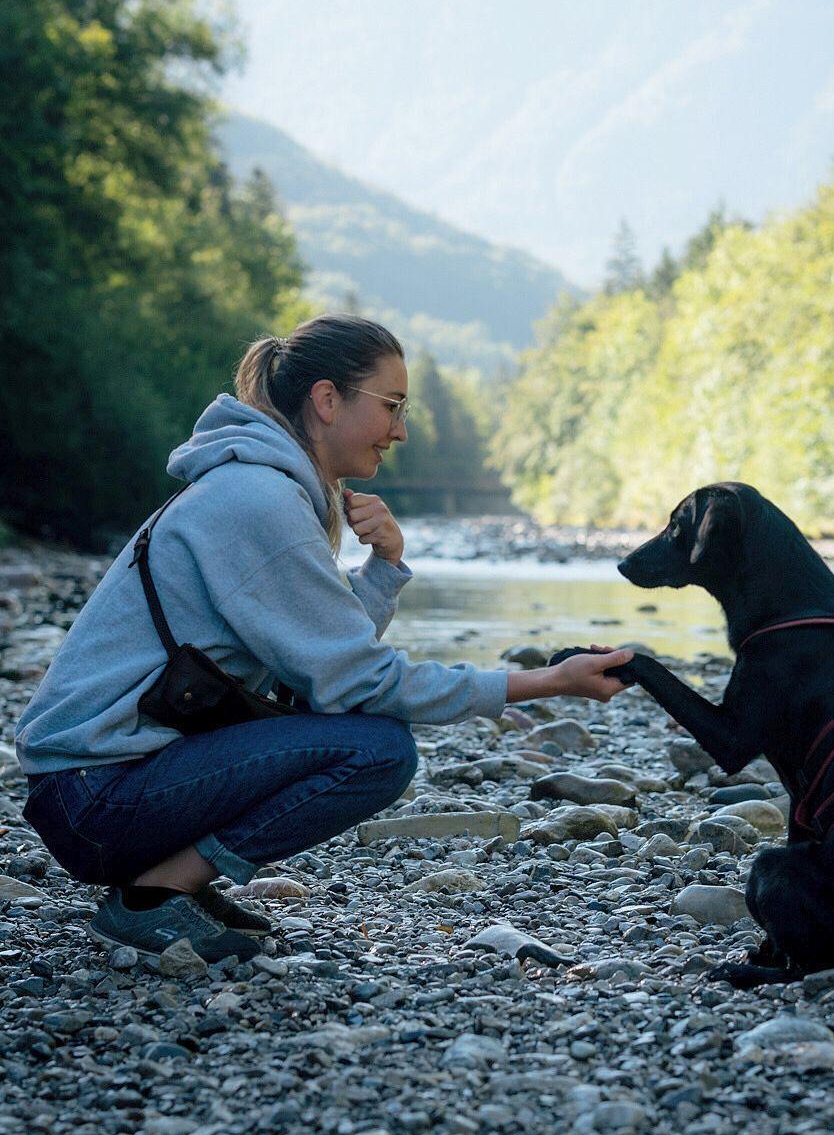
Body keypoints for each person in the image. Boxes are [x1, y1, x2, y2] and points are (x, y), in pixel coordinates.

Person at [15, 314, 632, 964]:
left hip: (94, 787)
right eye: (391, 406)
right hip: (93, 798)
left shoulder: (259, 488)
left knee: (360, 734)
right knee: (380, 752)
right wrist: (547, 683)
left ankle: (164, 886)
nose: (400, 430)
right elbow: (362, 682)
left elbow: (320, 666)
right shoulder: (260, 501)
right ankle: (154, 894)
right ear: (328, 400)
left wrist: (385, 569)